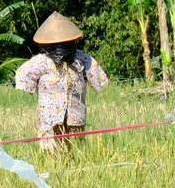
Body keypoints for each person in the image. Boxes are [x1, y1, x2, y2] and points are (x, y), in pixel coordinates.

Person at [14, 12, 109, 153]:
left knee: (74, 148)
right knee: (52, 149)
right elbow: (23, 74)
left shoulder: (81, 59)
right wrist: (27, 88)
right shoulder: (42, 61)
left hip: (74, 115)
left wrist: (98, 85)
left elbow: (97, 75)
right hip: (50, 117)